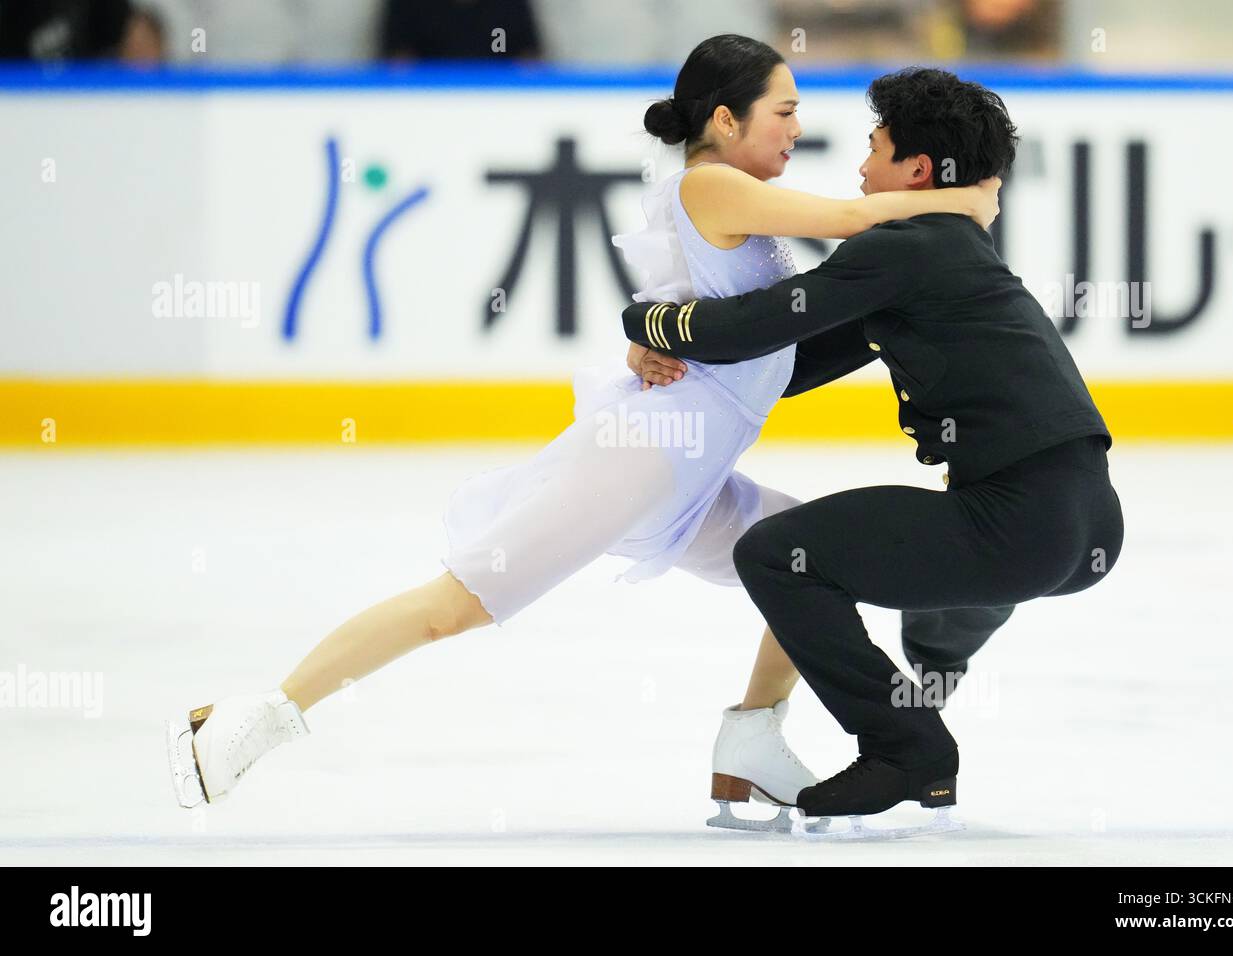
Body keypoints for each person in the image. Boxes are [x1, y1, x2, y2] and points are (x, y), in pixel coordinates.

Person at [164, 40, 999, 828]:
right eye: (783, 109)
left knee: (808, 560)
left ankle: (751, 733)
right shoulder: (707, 185)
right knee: (451, 610)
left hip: (692, 479)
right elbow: (853, 217)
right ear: (724, 122)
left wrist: (656, 333)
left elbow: (725, 301)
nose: (799, 127)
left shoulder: (733, 207)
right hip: (641, 462)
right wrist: (965, 198)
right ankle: (255, 720)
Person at [622, 66, 1124, 832]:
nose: (861, 169)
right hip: (1083, 522)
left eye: (875, 148)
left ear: (917, 171)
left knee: (776, 554)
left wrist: (646, 321)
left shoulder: (908, 245)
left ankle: (908, 749)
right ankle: (929, 684)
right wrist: (680, 357)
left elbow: (753, 326)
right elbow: (789, 362)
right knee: (921, 559)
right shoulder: (944, 251)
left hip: (1022, 524)